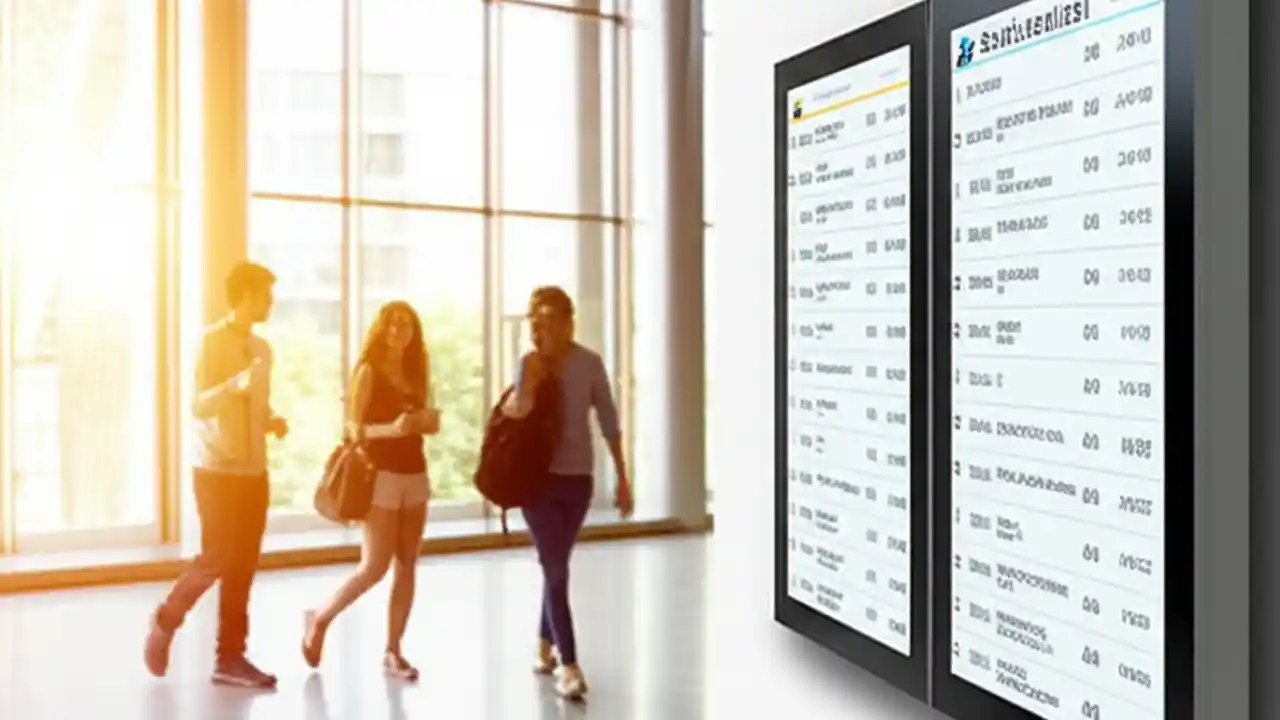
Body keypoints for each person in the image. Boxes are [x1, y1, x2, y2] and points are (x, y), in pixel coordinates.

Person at [144, 262, 287, 689]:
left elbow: (255, 405)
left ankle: (230, 658)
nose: (270, 303)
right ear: (245, 296)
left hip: (254, 471)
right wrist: (235, 384)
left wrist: (270, 419)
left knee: (243, 566)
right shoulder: (209, 342)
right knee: (217, 558)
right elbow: (200, 405)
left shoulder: (263, 349)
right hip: (216, 470)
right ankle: (168, 617)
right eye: (265, 295)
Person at [503, 285, 633, 700]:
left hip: (578, 481)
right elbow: (518, 412)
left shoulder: (589, 363)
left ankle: (544, 642)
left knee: (555, 564)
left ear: (568, 321)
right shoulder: (530, 363)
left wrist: (623, 476)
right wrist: (530, 382)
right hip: (537, 482)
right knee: (556, 569)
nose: (546, 328)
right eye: (538, 320)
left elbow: (609, 420)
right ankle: (570, 665)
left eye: (553, 319)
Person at [301, 300, 439, 680]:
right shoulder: (368, 372)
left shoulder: (417, 370)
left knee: (407, 564)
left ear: (414, 332)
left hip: (415, 473)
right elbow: (352, 430)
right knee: (375, 565)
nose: (398, 331)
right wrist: (392, 429)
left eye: (405, 325)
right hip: (380, 475)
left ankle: (394, 650)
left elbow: (426, 418)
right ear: (381, 329)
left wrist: (425, 422)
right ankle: (320, 617)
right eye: (391, 324)